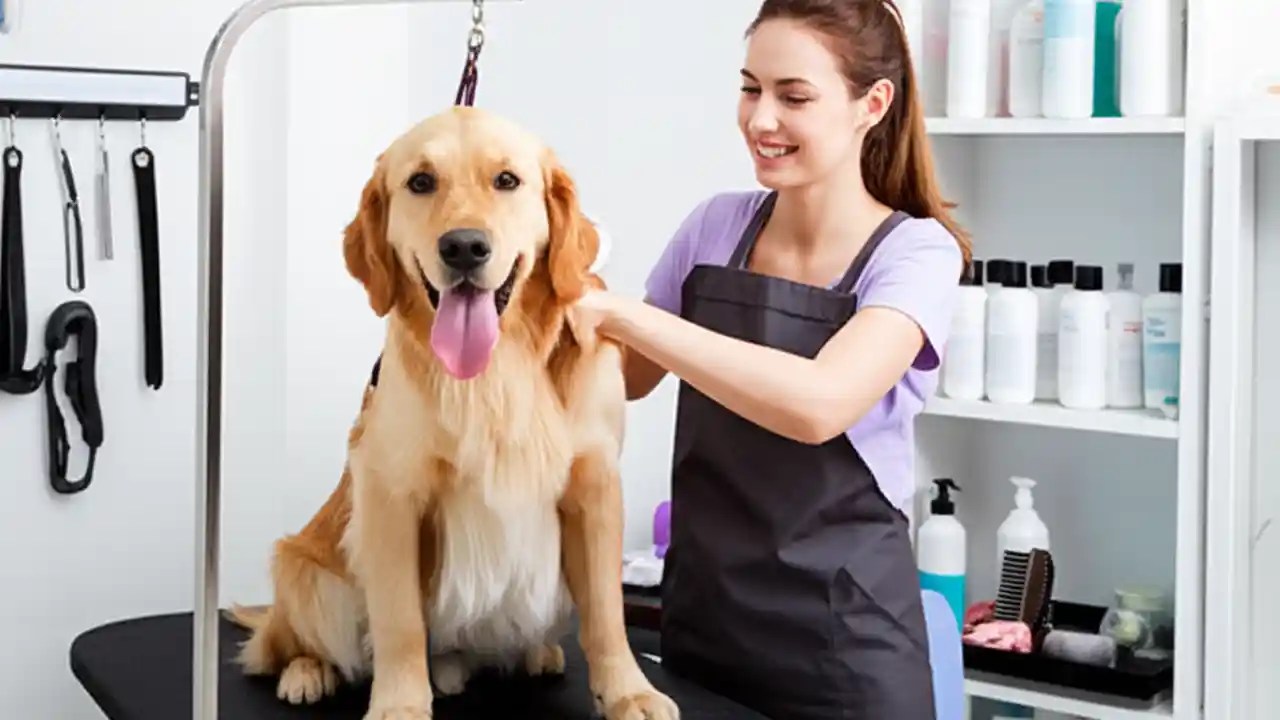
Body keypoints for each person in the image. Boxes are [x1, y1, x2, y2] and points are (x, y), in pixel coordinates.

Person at [571, 0, 972, 717]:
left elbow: (818, 403)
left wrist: (626, 315)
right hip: (704, 628)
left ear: (871, 105)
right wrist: (544, 291)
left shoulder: (916, 254)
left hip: (846, 649)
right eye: (751, 87)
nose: (760, 119)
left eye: (794, 97)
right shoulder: (715, 226)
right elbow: (628, 379)